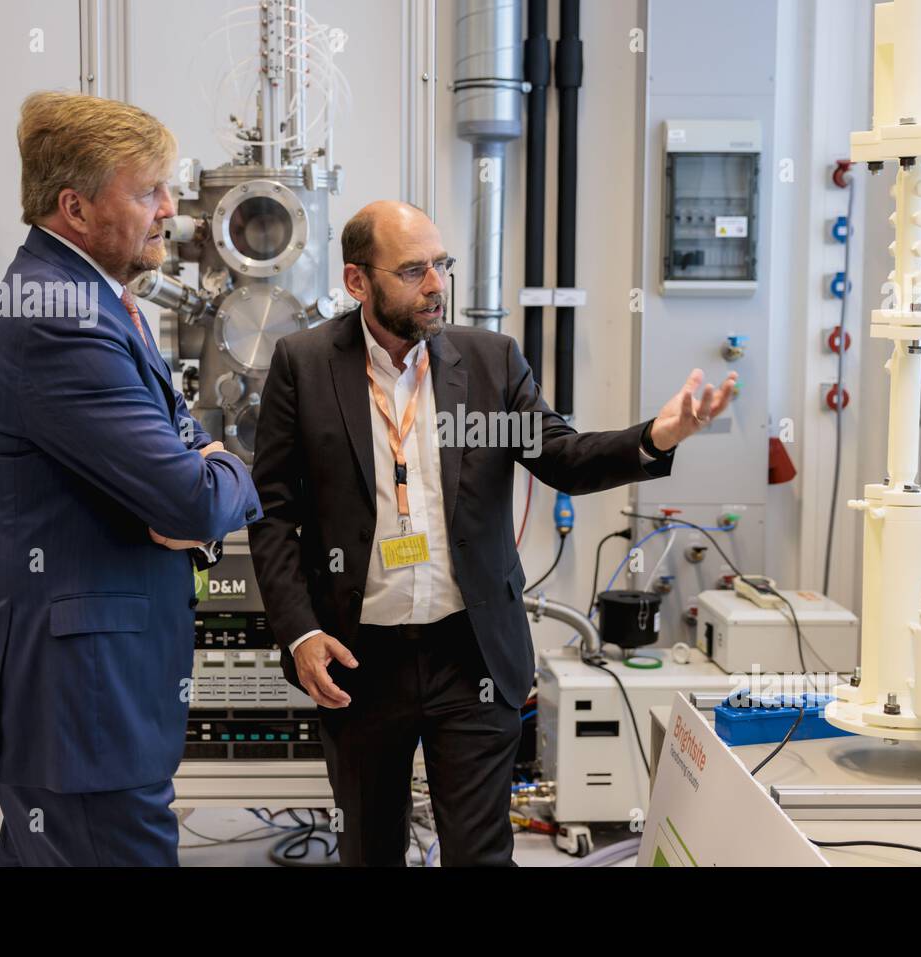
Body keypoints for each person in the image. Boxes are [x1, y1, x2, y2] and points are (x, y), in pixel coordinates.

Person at [249, 200, 736, 865]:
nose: (436, 285)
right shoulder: (303, 365)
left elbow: (561, 455)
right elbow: (273, 511)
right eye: (413, 270)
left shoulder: (489, 362)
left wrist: (656, 436)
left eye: (442, 265)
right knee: (369, 849)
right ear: (357, 281)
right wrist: (301, 633)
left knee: (480, 855)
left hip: (470, 651)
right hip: (359, 658)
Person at [0, 92, 261, 866]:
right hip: (81, 704)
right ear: (76, 207)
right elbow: (188, 494)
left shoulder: (90, 297)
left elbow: (181, 442)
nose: (172, 210)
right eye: (148, 191)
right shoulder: (62, 320)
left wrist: (199, 462)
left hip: (75, 696)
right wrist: (227, 469)